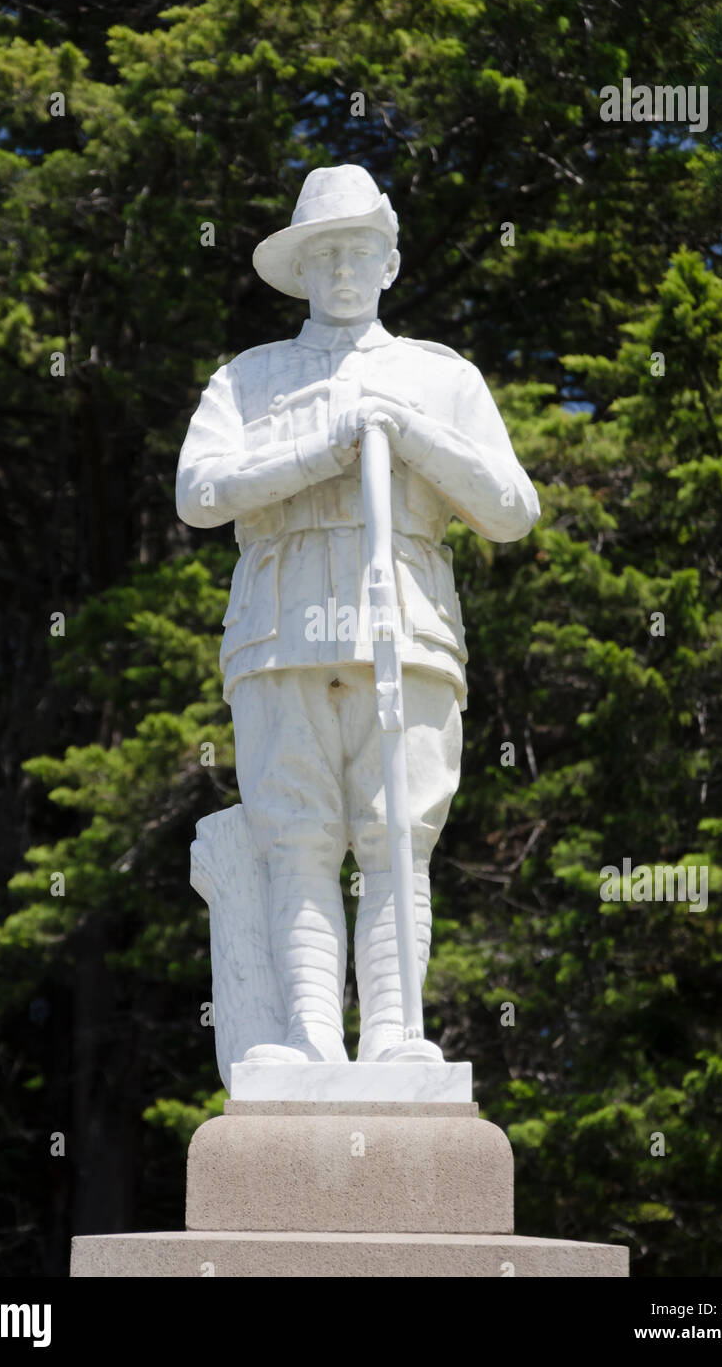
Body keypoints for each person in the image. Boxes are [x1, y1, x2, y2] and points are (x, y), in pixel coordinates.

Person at [176, 164, 539, 1065]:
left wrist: (410, 431)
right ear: (300, 269)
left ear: (389, 263)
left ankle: (391, 1038)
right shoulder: (248, 379)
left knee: (393, 839)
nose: (342, 270)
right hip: (278, 630)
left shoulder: (438, 376)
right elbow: (200, 493)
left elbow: (510, 508)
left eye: (359, 252)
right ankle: (306, 1042)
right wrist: (316, 449)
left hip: (404, 629)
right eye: (325, 254)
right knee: (296, 838)